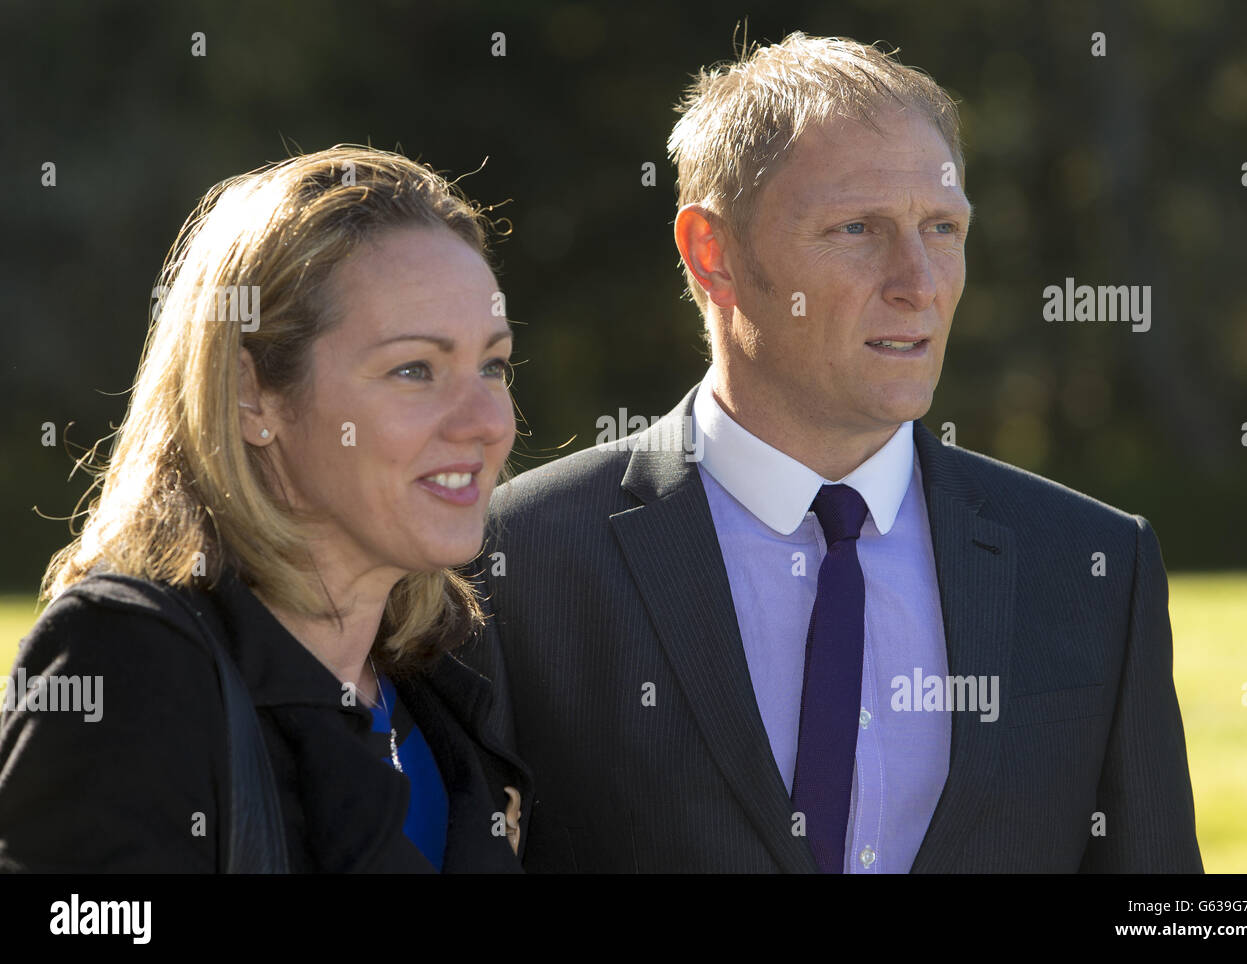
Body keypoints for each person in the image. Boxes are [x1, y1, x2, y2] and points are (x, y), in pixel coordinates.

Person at [465, 33, 1203, 872]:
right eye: (857, 228)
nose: (918, 281)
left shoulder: (1093, 565)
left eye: (942, 228)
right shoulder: (519, 554)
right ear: (713, 254)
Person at [0, 146, 529, 872]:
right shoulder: (129, 664)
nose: (485, 421)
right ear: (254, 396)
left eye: (492, 366)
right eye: (414, 369)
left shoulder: (441, 685)